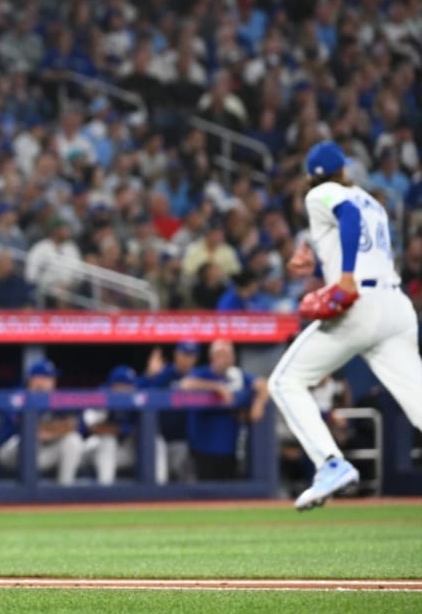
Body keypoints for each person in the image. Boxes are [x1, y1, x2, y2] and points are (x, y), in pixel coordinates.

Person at [269, 141, 422, 510]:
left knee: (285, 382)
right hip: (395, 306)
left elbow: (348, 217)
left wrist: (346, 276)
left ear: (312, 176)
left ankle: (330, 463)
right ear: (345, 170)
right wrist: (322, 268)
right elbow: (358, 234)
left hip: (361, 306)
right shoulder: (373, 202)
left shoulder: (322, 192)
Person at [180, 338, 269, 481]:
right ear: (212, 357)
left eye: (229, 354)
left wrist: (258, 404)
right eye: (222, 354)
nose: (226, 358)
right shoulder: (203, 373)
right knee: (205, 493)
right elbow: (185, 384)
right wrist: (216, 387)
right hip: (202, 449)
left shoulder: (237, 376)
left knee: (230, 494)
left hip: (230, 448)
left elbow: (262, 385)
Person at [0, 359, 84, 485]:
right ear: (34, 380)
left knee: (73, 440)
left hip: (43, 452)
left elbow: (73, 425)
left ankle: (65, 488)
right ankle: (27, 492)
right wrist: (57, 429)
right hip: (11, 451)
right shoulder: (18, 396)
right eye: (47, 377)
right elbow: (26, 428)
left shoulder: (57, 399)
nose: (52, 382)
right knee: (31, 438)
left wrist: (49, 432)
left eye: (52, 378)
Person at [82, 366, 167, 486]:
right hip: (93, 451)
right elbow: (94, 428)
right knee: (108, 440)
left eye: (130, 386)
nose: (128, 389)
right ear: (114, 385)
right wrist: (121, 429)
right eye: (124, 385)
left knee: (156, 441)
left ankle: (159, 491)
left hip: (122, 452)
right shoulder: (101, 396)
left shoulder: (136, 397)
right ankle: (106, 491)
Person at [139, 341, 201, 480]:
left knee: (185, 481)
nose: (186, 359)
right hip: (159, 439)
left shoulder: (199, 376)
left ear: (196, 358)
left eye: (191, 355)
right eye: (183, 354)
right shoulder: (164, 374)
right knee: (160, 480)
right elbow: (141, 396)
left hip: (183, 441)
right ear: (176, 354)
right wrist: (148, 375)